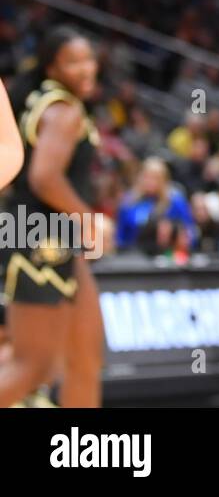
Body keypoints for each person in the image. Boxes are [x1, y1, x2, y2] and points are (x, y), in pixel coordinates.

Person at [0, 26, 106, 408]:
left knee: (85, 356)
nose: (85, 68)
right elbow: (44, 177)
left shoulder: (42, 100)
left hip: (47, 235)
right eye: (73, 61)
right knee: (34, 366)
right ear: (52, 67)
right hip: (38, 234)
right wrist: (89, 219)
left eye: (89, 58)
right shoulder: (63, 108)